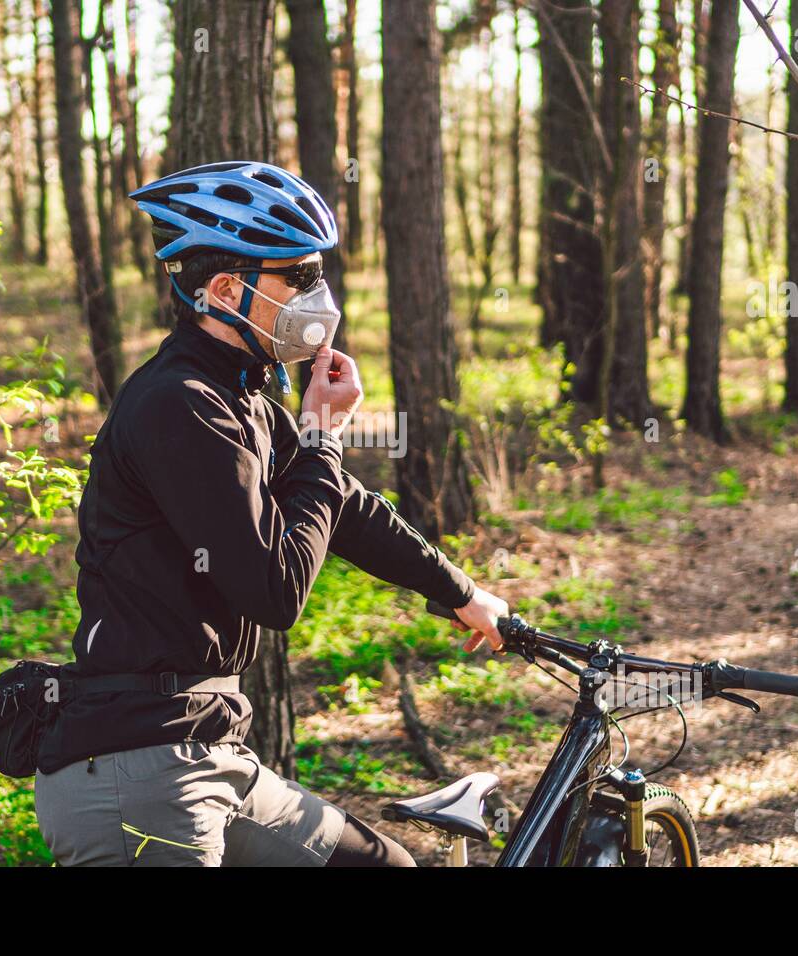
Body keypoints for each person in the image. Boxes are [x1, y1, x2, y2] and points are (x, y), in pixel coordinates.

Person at [33, 160, 508, 866]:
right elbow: (273, 590)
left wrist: (462, 594)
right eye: (300, 276)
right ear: (226, 289)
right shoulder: (180, 405)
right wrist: (322, 437)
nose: (322, 295)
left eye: (319, 272)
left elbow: (341, 507)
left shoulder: (241, 395)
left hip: (204, 751)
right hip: (139, 772)